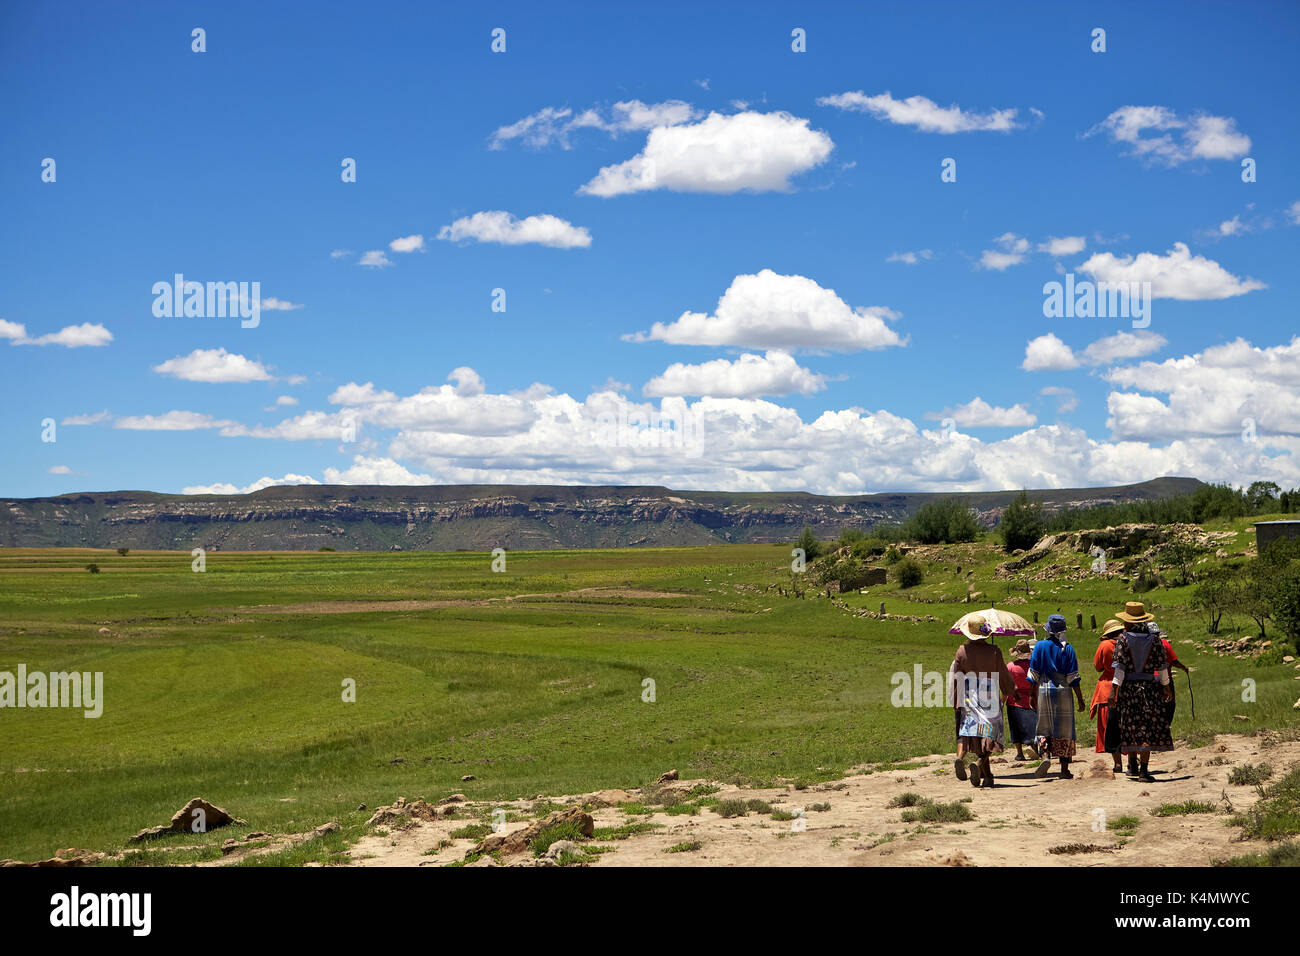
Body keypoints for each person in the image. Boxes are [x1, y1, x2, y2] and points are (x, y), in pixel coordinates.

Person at [1107, 602, 1174, 783]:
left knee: (1130, 726)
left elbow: (1119, 669)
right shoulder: (1155, 641)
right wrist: (1166, 687)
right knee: (1147, 728)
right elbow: (1162, 668)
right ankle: (1144, 770)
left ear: (1129, 623)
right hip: (1150, 690)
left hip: (1128, 691)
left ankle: (1132, 766)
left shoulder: (1122, 640)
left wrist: (1114, 690)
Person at [949, 614, 1016, 789]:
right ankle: (979, 763)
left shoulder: (962, 651)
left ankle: (984, 774)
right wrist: (1011, 690)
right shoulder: (994, 651)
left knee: (975, 732)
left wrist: (957, 701)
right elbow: (1002, 673)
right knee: (991, 733)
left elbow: (957, 677)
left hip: (970, 696)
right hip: (990, 694)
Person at [1028, 614, 1086, 779]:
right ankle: (1064, 769)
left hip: (1045, 688)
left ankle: (1045, 756)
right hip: (1063, 690)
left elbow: (1034, 673)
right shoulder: (1068, 648)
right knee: (1065, 728)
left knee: (1044, 725)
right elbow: (1073, 677)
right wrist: (1080, 699)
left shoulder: (1039, 646)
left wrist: (1032, 694)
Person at [1091, 619, 1125, 774]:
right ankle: (1133, 758)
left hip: (1106, 690)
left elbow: (1098, 667)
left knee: (1110, 729)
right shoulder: (1126, 643)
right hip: (1125, 687)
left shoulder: (1104, 646)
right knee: (1126, 726)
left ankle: (1118, 763)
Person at [1148, 621, 1190, 728]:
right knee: (1169, 705)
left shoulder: (1144, 646)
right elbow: (1173, 661)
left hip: (1149, 680)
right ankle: (1166, 727)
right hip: (1165, 679)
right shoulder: (1164, 644)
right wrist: (1184, 668)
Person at [1005, 639, 1038, 762]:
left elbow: (1007, 686)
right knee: (1032, 725)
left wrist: (1002, 701)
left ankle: (1020, 753)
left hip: (1014, 700)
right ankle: (1033, 746)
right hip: (1031, 698)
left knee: (1015, 728)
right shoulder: (1033, 665)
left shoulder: (1011, 667)